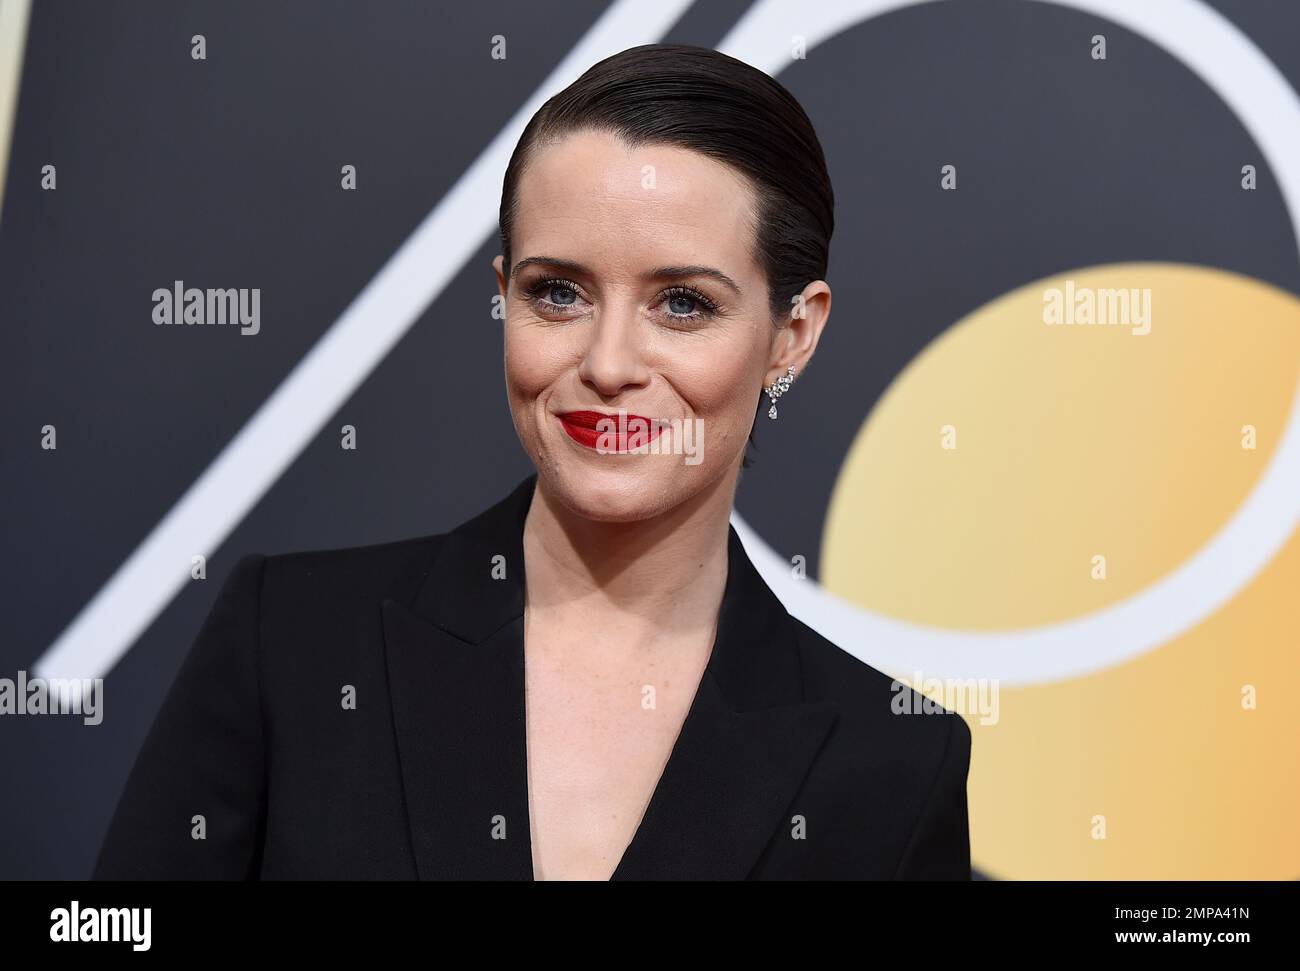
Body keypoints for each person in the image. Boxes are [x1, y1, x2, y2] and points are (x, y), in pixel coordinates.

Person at [93, 43, 970, 881]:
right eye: (558, 292)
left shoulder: (890, 760)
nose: (609, 362)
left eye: (682, 303)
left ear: (792, 333)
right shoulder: (292, 642)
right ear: (503, 293)